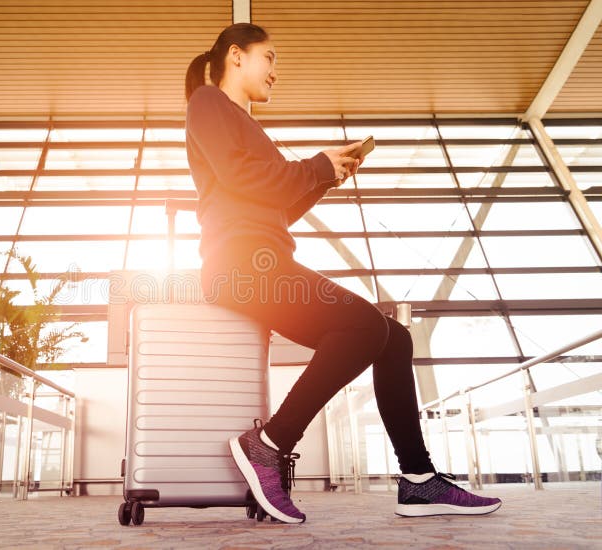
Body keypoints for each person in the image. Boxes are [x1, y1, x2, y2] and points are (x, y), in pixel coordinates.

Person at [184, 23, 502, 524]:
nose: (275, 71)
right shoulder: (207, 102)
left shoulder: (244, 125)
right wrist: (314, 167)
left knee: (392, 338)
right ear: (237, 56)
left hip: (262, 258)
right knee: (365, 326)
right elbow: (245, 179)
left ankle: (418, 480)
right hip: (241, 265)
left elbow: (273, 207)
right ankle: (268, 443)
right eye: (270, 57)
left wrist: (325, 177)